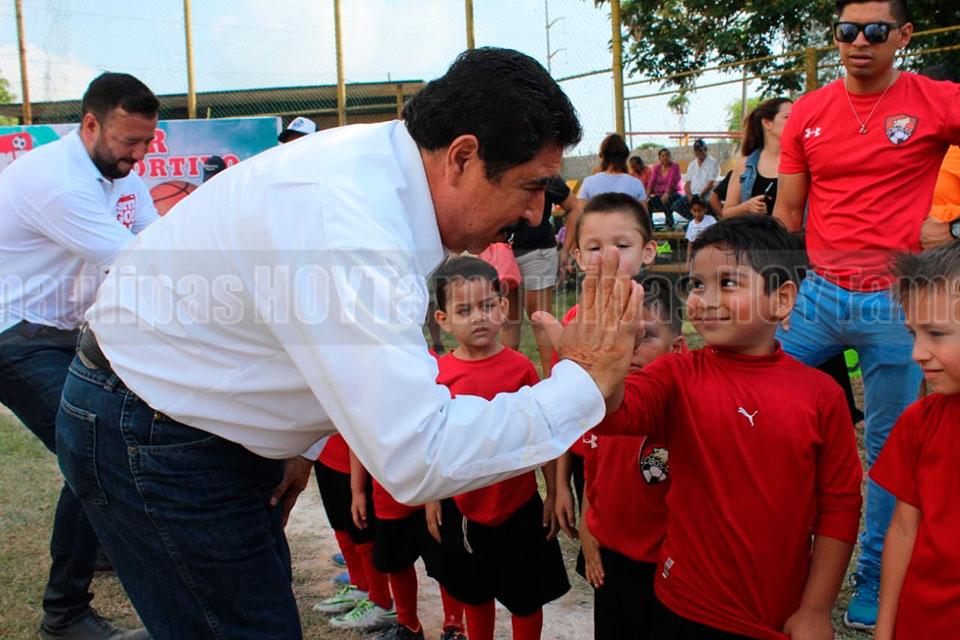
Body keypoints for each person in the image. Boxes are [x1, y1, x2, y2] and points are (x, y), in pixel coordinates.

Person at [55, 48, 643, 638]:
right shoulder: (352, 225)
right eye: (531, 186)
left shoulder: (383, 176)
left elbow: (304, 328)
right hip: (157, 427)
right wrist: (583, 382)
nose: (537, 211)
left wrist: (296, 444)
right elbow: (419, 454)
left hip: (179, 417)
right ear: (462, 156)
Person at [546, 215, 863, 639]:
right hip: (682, 606)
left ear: (782, 299)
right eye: (697, 284)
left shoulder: (822, 396)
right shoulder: (677, 375)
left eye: (728, 283)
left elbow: (839, 508)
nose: (705, 299)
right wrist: (594, 367)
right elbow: (617, 412)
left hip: (776, 614)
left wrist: (815, 608)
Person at [773, 0, 960, 628]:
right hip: (818, 293)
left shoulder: (933, 100)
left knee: (888, 449)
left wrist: (955, 224)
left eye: (875, 30)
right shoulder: (811, 110)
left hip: (893, 302)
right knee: (756, 399)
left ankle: (875, 580)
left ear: (903, 36)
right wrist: (780, 286)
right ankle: (772, 555)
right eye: (847, 30)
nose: (859, 41)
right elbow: (787, 216)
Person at [0, 72, 158, 640]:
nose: (137, 156)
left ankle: (92, 547)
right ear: (90, 124)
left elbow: (155, 240)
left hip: (66, 328)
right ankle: (63, 616)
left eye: (147, 143)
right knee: (93, 451)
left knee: (95, 446)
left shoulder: (120, 170)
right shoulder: (55, 182)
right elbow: (141, 262)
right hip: (13, 334)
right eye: (127, 142)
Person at [428, 256, 567, 640]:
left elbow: (543, 436)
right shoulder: (440, 376)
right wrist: (431, 497)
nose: (478, 317)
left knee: (526, 597)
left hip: (518, 505)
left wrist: (555, 490)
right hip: (464, 508)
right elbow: (435, 443)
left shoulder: (521, 368)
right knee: (474, 592)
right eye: (464, 309)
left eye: (487, 306)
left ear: (503, 308)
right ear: (443, 319)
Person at [577, 276, 685, 640]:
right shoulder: (599, 404)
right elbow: (592, 471)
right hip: (609, 561)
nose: (631, 348)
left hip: (666, 568)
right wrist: (587, 525)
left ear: (679, 347)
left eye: (648, 336)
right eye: (623, 336)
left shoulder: (684, 413)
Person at [553, 193, 657, 540]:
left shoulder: (660, 322)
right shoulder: (572, 325)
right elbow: (563, 409)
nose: (608, 256)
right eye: (594, 248)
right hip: (591, 460)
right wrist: (561, 485)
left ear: (648, 252)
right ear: (579, 257)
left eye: (622, 245)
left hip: (648, 460)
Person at [872, 242, 960, 640]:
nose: (916, 353)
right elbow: (904, 530)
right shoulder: (919, 423)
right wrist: (885, 629)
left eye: (936, 334)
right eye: (913, 333)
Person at [350, 450, 467, 640]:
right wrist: (357, 491)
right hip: (389, 493)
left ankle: (454, 627)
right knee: (396, 560)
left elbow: (440, 433)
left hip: (435, 488)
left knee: (447, 563)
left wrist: (433, 492)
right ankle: (408, 625)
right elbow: (358, 439)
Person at [311, 433, 396, 631]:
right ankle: (360, 586)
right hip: (323, 446)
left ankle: (380, 600)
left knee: (361, 530)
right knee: (339, 522)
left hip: (352, 455)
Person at [503, 175, 580, 375]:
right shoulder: (499, 164)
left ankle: (550, 379)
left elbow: (574, 207)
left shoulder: (544, 172)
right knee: (508, 321)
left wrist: (566, 250)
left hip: (537, 252)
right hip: (502, 253)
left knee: (540, 320)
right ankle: (507, 380)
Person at [723, 98, 792, 218]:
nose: (794, 121)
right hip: (753, 235)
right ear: (767, 123)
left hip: (788, 236)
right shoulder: (745, 164)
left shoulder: (801, 162)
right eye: (787, 117)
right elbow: (727, 213)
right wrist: (747, 207)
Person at [645, 148, 685, 228]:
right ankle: (650, 226)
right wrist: (646, 197)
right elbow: (651, 182)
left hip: (675, 193)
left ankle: (670, 224)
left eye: (667, 155)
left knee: (667, 201)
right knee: (648, 203)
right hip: (660, 194)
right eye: (662, 156)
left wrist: (666, 194)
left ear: (670, 157)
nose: (665, 157)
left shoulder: (675, 167)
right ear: (659, 158)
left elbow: (671, 182)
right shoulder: (656, 168)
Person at [683, 138, 719, 205]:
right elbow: (687, 184)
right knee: (676, 206)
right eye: (696, 150)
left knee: (704, 203)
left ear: (705, 150)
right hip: (692, 194)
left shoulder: (713, 163)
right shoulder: (692, 164)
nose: (698, 152)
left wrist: (700, 196)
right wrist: (690, 197)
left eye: (700, 150)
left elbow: (711, 183)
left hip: (706, 194)